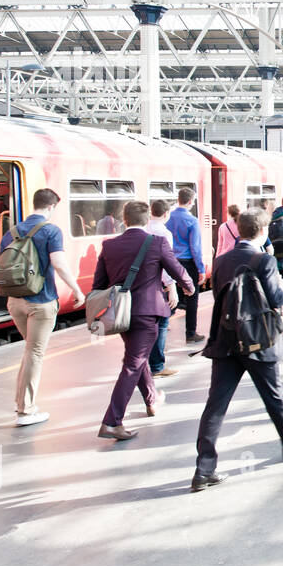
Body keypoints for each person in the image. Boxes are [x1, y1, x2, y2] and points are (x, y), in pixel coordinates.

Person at [192, 210, 283, 491]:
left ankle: (203, 469)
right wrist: (282, 289)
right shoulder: (264, 260)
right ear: (262, 231)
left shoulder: (220, 261)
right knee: (273, 394)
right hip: (258, 339)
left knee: (215, 406)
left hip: (226, 341)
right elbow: (275, 298)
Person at [93, 201, 197, 441]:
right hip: (147, 312)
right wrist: (189, 286)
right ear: (147, 219)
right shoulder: (156, 242)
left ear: (124, 219)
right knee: (134, 362)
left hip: (121, 313)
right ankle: (112, 421)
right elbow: (176, 269)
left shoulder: (109, 245)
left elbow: (99, 284)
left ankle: (152, 401)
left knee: (136, 358)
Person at [0, 188, 87, 425]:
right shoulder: (50, 230)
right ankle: (25, 410)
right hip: (41, 300)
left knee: (30, 351)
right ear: (51, 207)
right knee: (34, 353)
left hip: (15, 301)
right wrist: (77, 289)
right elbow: (58, 262)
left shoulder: (11, 231)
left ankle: (22, 403)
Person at [145, 199, 181, 380]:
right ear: (166, 214)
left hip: (143, 284)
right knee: (162, 324)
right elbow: (167, 262)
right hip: (159, 285)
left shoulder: (143, 229)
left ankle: (145, 364)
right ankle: (157, 366)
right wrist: (172, 286)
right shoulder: (164, 233)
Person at [166, 187, 205, 344]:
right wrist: (201, 269)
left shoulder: (168, 217)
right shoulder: (192, 221)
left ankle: (162, 324)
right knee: (192, 297)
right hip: (187, 263)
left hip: (170, 261)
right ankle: (190, 333)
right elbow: (195, 248)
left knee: (170, 294)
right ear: (190, 201)